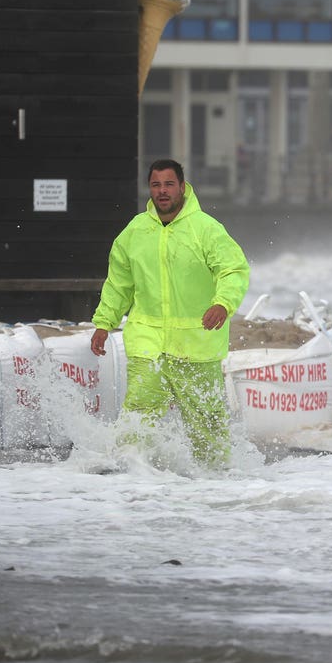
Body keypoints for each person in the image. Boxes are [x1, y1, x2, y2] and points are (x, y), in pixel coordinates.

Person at [89, 159, 250, 467]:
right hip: (148, 345)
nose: (162, 191)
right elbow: (119, 284)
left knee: (208, 429)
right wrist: (103, 323)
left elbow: (234, 269)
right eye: (156, 185)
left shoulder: (205, 229)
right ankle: (130, 479)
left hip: (197, 347)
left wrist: (223, 303)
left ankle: (216, 484)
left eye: (168, 184)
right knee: (137, 417)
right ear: (149, 188)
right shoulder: (135, 231)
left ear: (182, 186)